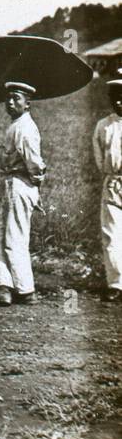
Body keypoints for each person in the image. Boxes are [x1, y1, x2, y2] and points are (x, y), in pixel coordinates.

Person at [0, 82, 47, 306]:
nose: (11, 102)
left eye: (16, 98)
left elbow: (34, 163)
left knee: (14, 238)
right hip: (11, 184)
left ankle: (25, 289)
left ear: (28, 104)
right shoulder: (16, 125)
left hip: (20, 183)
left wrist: (35, 182)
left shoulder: (24, 127)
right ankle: (3, 287)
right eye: (8, 98)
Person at [92, 78, 122, 302]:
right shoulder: (104, 125)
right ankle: (116, 282)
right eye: (115, 97)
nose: (119, 102)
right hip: (113, 182)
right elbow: (99, 154)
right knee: (111, 233)